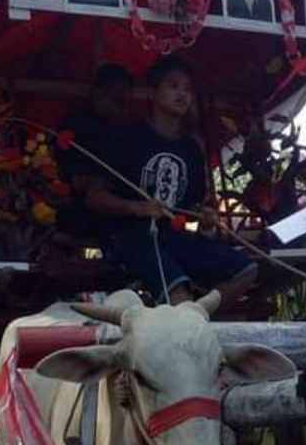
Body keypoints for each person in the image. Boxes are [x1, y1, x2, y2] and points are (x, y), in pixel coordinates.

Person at [85, 57, 257, 311]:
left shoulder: (190, 149)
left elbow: (194, 206)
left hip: (173, 238)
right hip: (131, 239)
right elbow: (94, 197)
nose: (182, 94)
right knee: (179, 296)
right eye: (173, 86)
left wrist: (205, 216)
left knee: (247, 270)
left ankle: (196, 317)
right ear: (153, 93)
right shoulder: (126, 137)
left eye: (187, 89)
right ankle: (188, 318)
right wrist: (138, 208)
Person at [55, 63, 134, 239]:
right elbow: (76, 180)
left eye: (127, 103)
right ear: (98, 94)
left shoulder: (120, 129)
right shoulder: (75, 126)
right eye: (118, 101)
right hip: (78, 208)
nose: (124, 109)